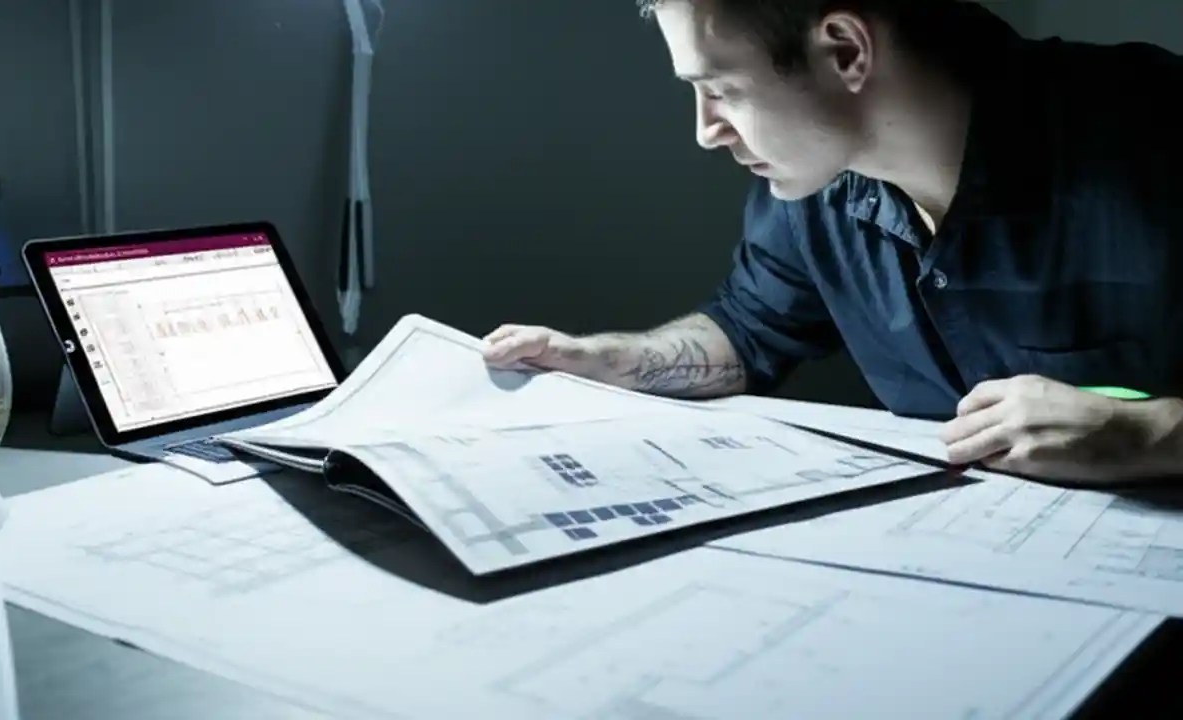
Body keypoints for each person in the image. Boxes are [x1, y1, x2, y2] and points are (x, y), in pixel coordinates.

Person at [481, 0, 1183, 485]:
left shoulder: (1152, 132)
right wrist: (609, 359)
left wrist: (1148, 435)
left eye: (721, 87)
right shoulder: (813, 188)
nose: (705, 129)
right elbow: (749, 331)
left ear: (846, 50)